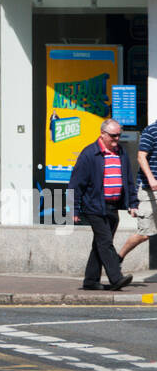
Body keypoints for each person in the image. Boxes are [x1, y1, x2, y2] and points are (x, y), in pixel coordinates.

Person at [70, 118, 136, 290]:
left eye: (119, 136)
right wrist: (74, 209)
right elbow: (76, 184)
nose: (117, 140)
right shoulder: (89, 154)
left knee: (99, 244)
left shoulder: (121, 153)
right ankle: (116, 278)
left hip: (113, 206)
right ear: (103, 134)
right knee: (105, 242)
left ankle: (90, 281)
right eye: (113, 136)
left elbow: (128, 180)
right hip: (94, 206)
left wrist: (132, 203)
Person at [118, 117, 157, 264]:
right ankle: (118, 259)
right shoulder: (151, 131)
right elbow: (141, 157)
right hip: (149, 191)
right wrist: (151, 179)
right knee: (145, 234)